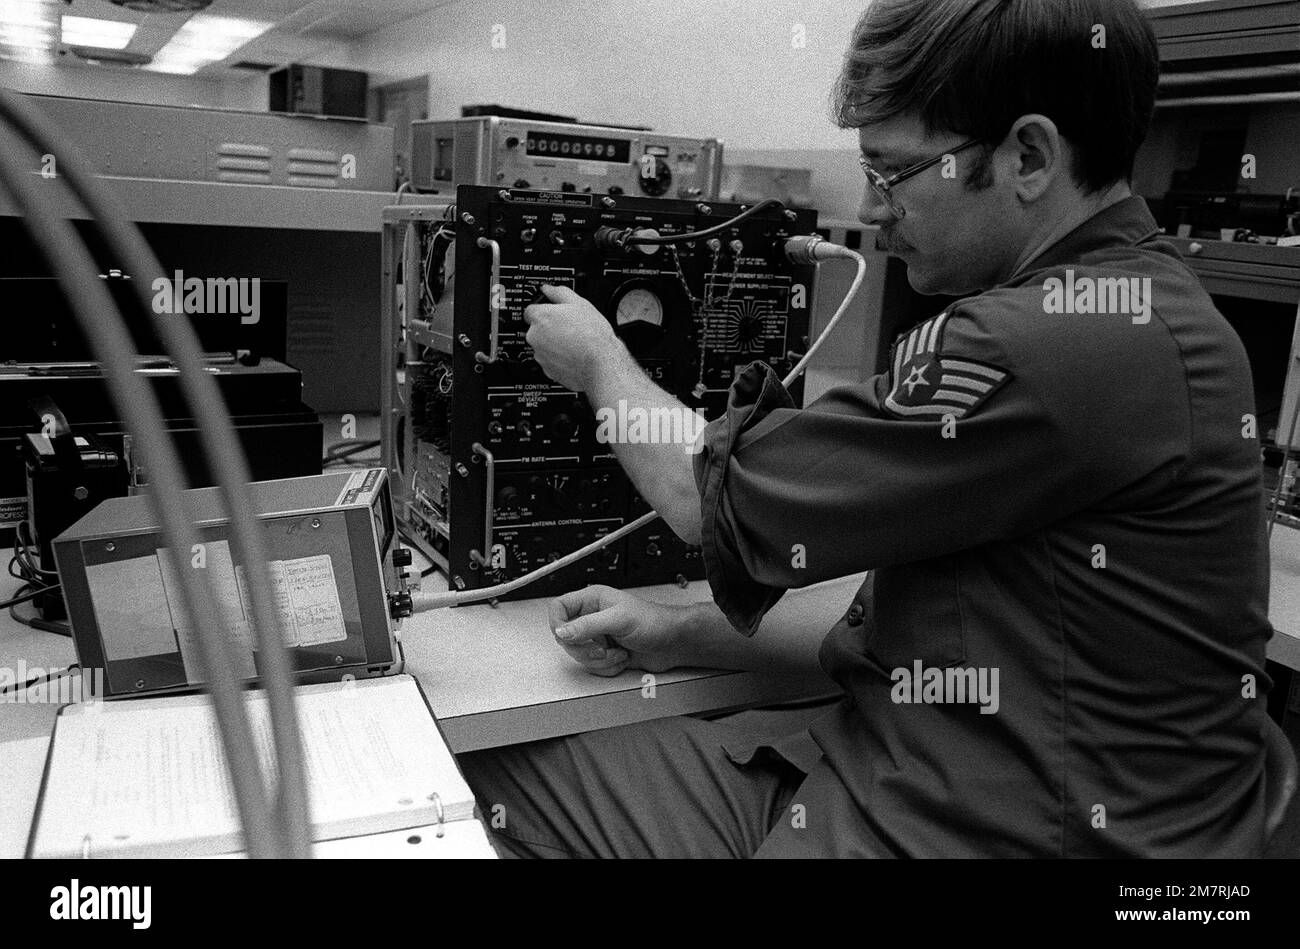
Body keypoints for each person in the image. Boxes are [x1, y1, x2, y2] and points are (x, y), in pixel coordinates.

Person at [458, 0, 1273, 857]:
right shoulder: (1158, 310)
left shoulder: (1040, 340)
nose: (875, 211)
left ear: (1028, 155)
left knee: (487, 780)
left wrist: (597, 363)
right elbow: (916, 630)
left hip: (984, 827)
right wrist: (679, 627)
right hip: (963, 774)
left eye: (891, 174)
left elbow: (711, 498)